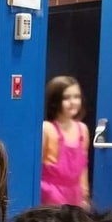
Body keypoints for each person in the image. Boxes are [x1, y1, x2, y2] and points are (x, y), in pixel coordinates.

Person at [40, 76, 91, 208]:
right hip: (50, 198)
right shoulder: (47, 129)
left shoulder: (83, 130)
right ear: (55, 101)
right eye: (66, 98)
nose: (73, 102)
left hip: (75, 197)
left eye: (76, 97)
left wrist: (85, 197)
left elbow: (83, 167)